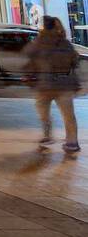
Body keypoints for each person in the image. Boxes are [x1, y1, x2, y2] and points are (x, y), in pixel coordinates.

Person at [27, 16, 80, 154]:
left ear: (44, 27)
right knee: (68, 115)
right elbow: (75, 61)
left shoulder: (39, 43)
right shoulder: (65, 44)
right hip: (64, 85)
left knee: (43, 112)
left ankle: (47, 136)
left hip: (45, 85)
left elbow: (30, 59)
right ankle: (72, 142)